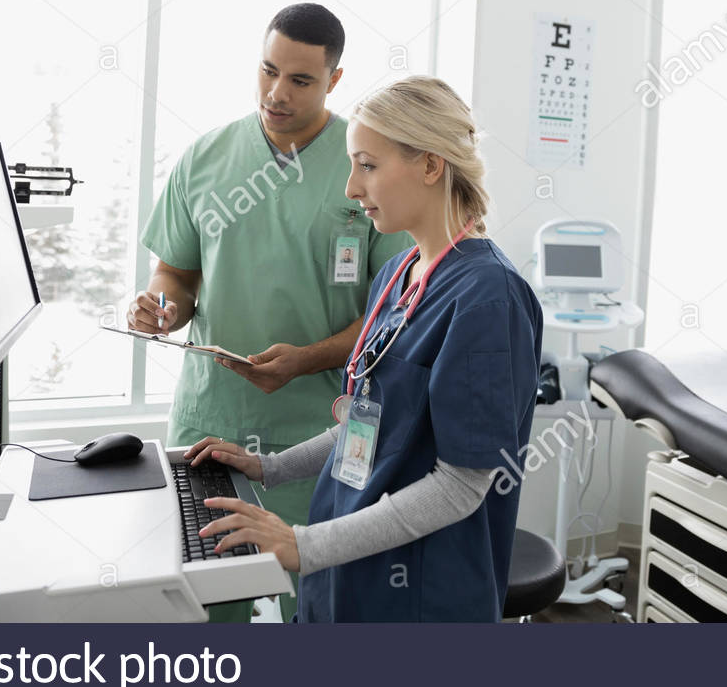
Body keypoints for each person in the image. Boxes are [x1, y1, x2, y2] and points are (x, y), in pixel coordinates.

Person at [184, 77, 544, 622]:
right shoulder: (397, 275)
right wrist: (268, 467)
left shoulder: (488, 299)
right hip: (344, 571)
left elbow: (460, 486)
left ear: (431, 165)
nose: (351, 188)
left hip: (419, 598)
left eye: (368, 166)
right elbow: (369, 422)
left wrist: (303, 545)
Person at [130, 3, 412, 620]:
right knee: (208, 603)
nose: (277, 93)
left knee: (317, 609)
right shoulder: (205, 158)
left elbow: (396, 311)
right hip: (214, 421)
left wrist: (306, 359)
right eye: (268, 71)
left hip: (324, 430)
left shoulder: (365, 165)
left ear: (335, 80)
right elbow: (176, 273)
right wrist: (164, 308)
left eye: (301, 80)